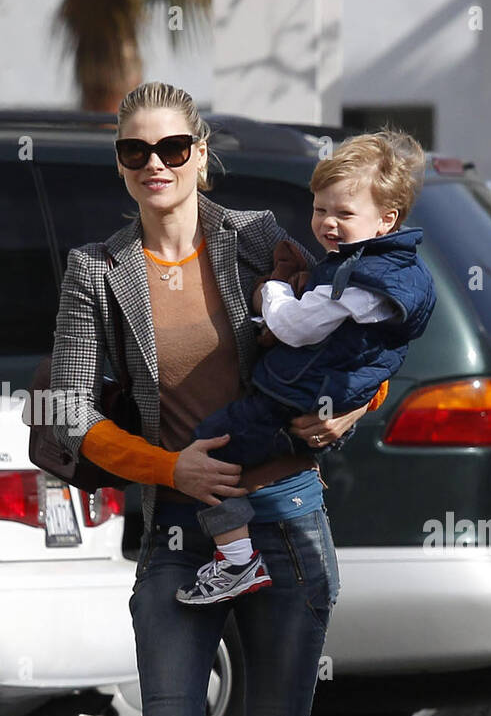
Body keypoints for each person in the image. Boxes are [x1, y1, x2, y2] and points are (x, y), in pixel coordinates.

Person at [50, 80, 374, 716]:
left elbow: (359, 327)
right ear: (120, 163)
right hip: (178, 531)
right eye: (135, 151)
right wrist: (170, 468)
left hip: (284, 515)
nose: (155, 165)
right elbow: (65, 413)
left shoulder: (257, 240)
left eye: (172, 148)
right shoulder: (95, 268)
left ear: (200, 153)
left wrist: (348, 413)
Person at [176, 131, 436, 606]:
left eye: (344, 214)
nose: (327, 223)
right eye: (319, 209)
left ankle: (236, 561)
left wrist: (272, 292)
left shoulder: (361, 277)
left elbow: (296, 327)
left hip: (291, 405)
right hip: (306, 400)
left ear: (388, 219)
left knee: (207, 456)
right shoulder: (384, 267)